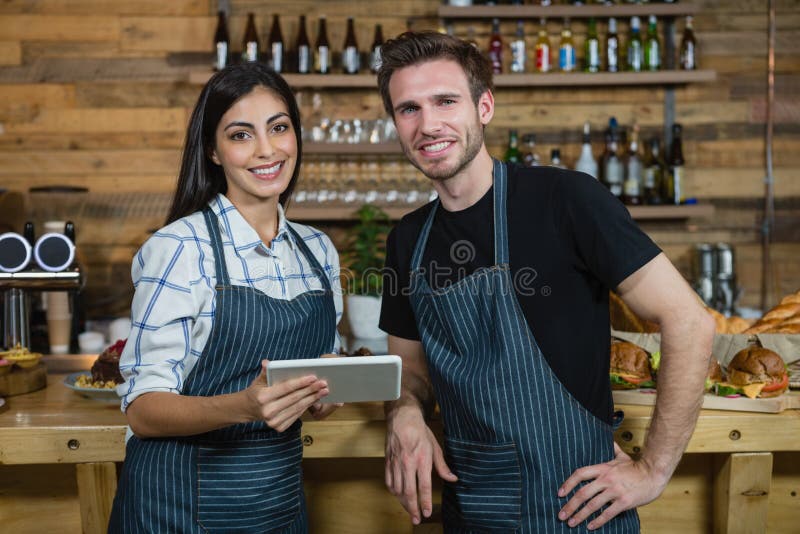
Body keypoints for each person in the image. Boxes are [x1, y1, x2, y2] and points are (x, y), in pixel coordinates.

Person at [377, 32, 715, 532]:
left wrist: (653, 470)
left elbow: (689, 321)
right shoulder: (408, 240)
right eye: (409, 109)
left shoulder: (567, 200)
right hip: (473, 512)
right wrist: (404, 411)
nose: (429, 124)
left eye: (446, 101)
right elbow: (409, 369)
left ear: (484, 106)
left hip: (581, 509)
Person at [108, 62, 343, 533]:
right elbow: (143, 408)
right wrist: (245, 405)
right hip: (176, 509)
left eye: (279, 128)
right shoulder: (179, 249)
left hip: (277, 506)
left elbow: (320, 368)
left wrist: (321, 395)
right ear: (213, 152)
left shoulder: (317, 250)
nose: (267, 150)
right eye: (241, 135)